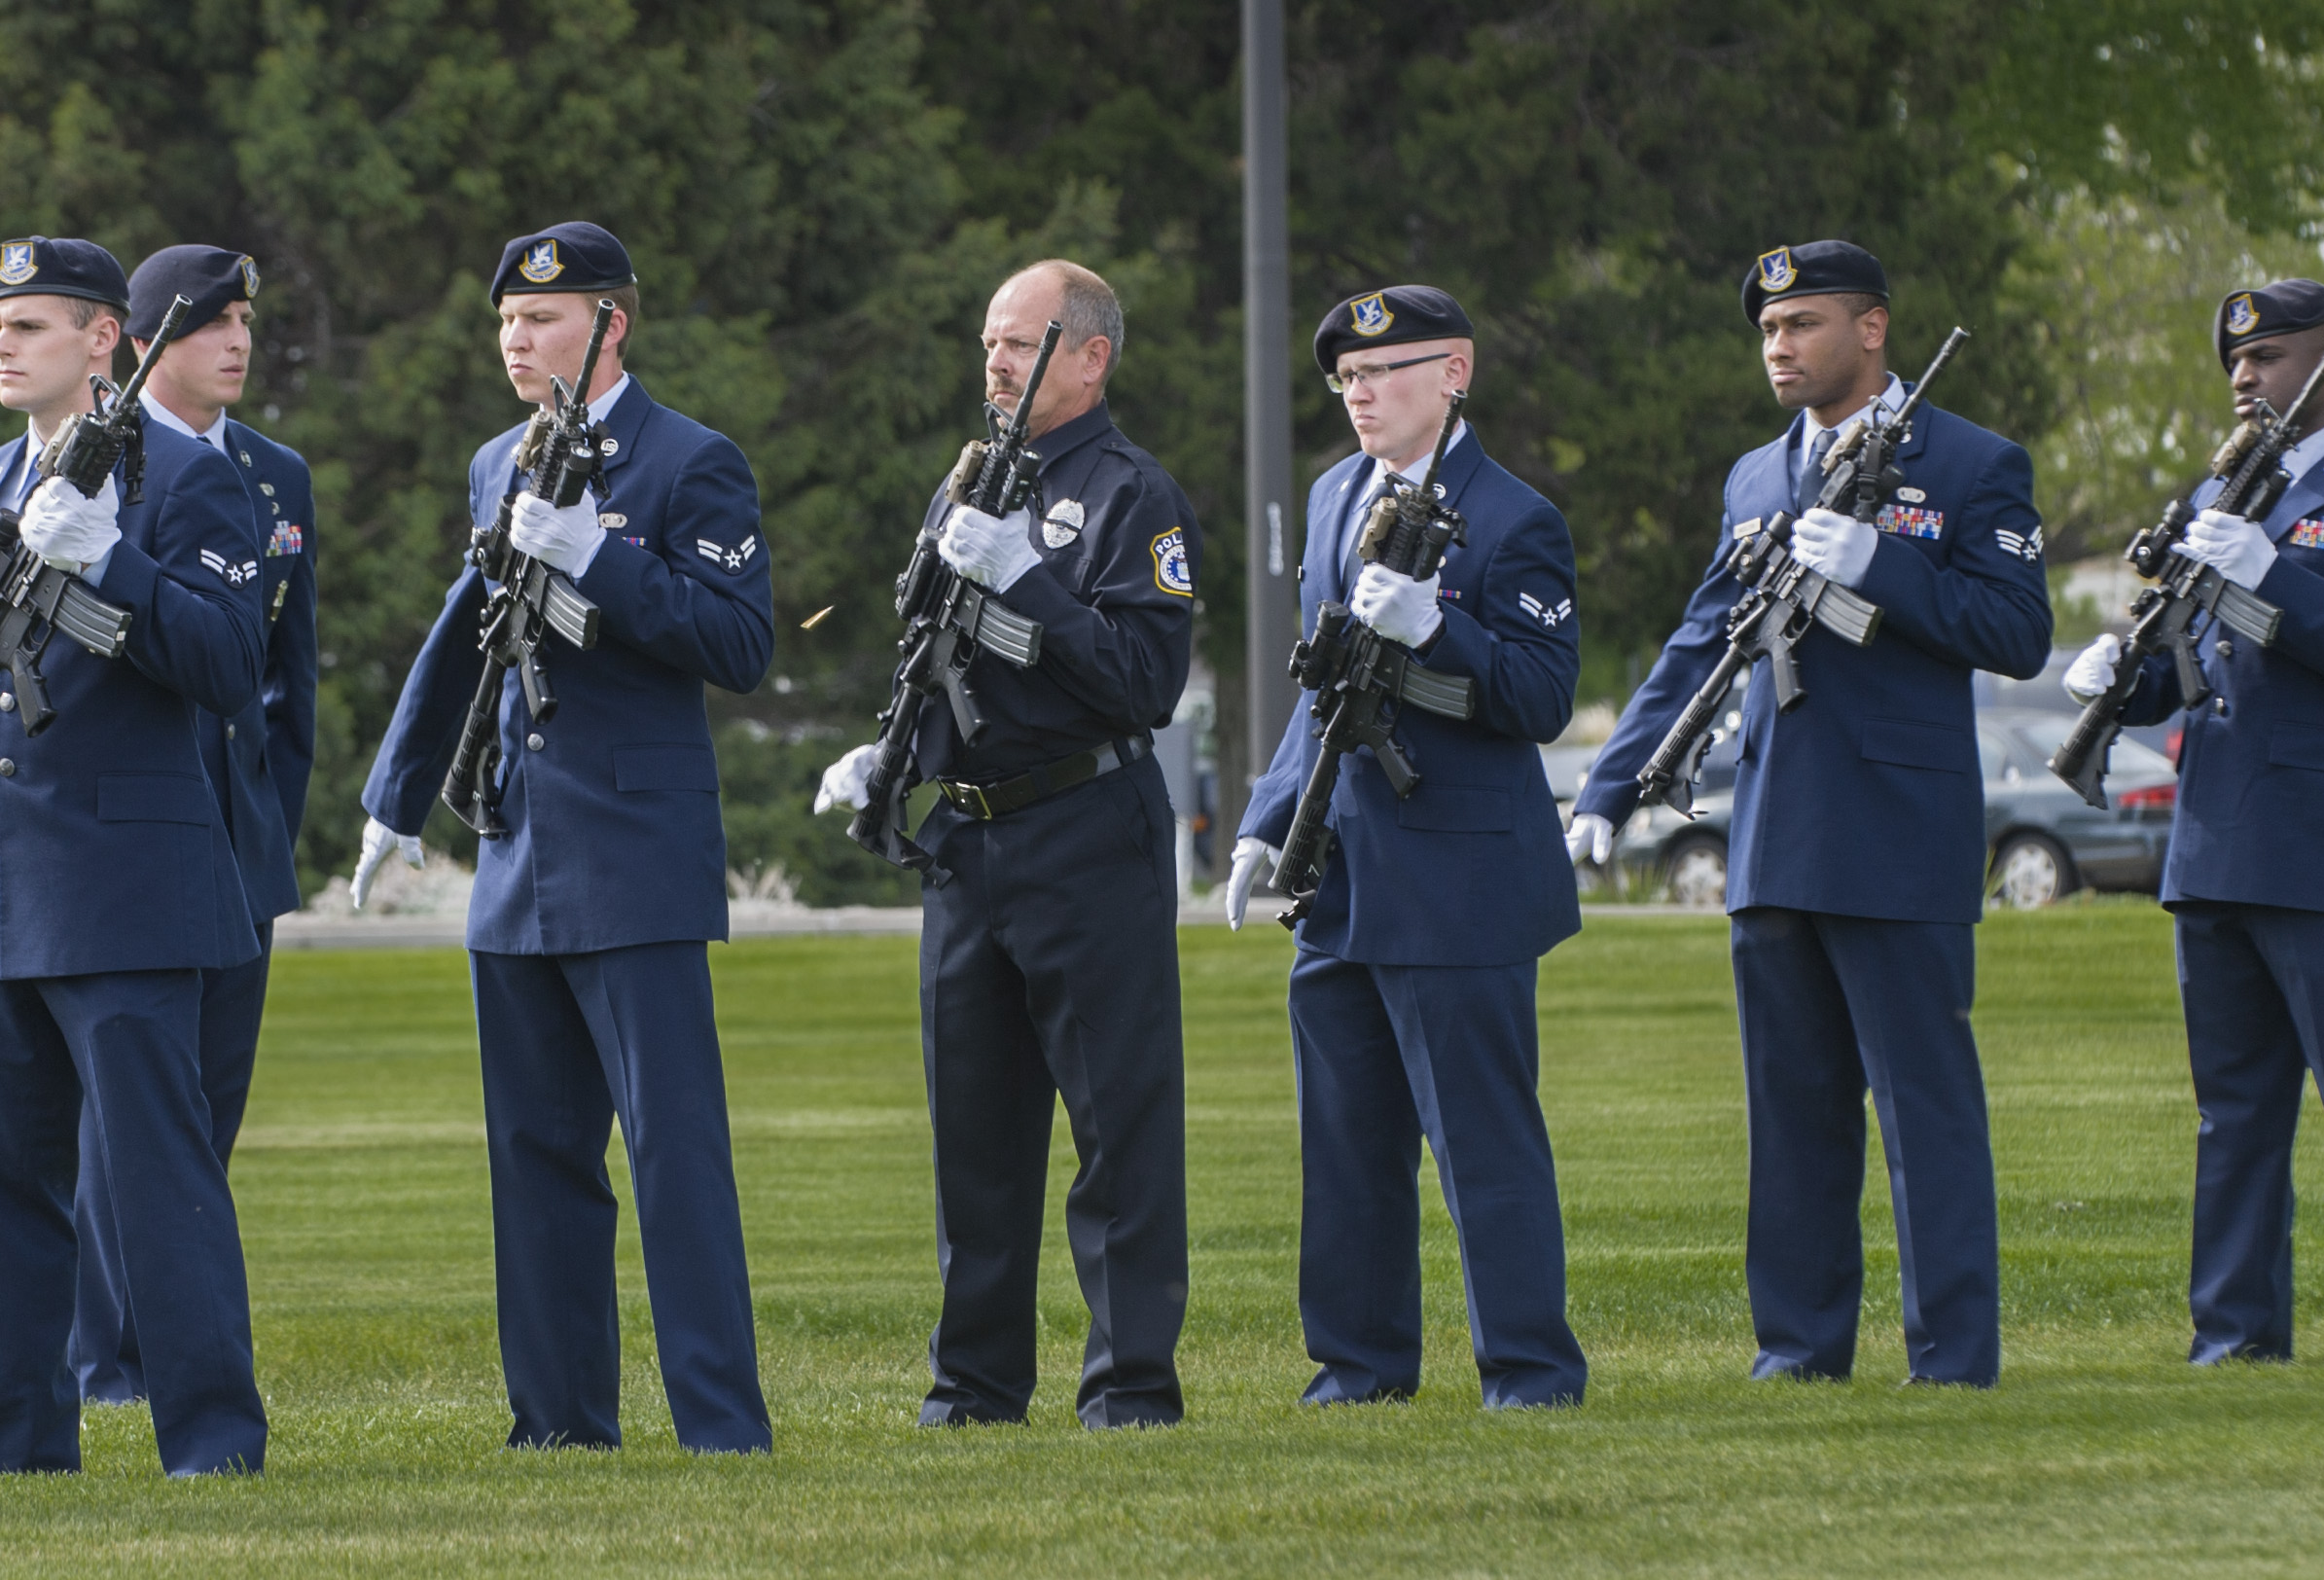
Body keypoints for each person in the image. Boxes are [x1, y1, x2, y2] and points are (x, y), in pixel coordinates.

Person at [1566, 240, 2051, 1387]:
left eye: (1802, 324)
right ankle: (1796, 1347)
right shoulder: (1756, 476)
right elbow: (1702, 639)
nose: (1778, 347)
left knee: (1924, 1108)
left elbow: (2017, 631)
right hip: (1776, 833)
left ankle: (1953, 1356)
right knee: (1792, 1115)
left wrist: (1884, 565)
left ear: (1872, 328)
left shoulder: (1972, 462)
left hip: (1900, 829)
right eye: (1768, 331)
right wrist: (1610, 784)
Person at [0, 235, 272, 1474]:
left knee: (159, 1185)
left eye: (29, 325)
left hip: (131, 883)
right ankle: (14, 1443)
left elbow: (231, 665)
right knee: (3, 1187)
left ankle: (211, 1439)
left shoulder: (187, 481)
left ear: (103, 338)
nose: (3, 344)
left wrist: (109, 560)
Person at [351, 221, 775, 1454]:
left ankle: (720, 1423)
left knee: (674, 1158)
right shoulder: (500, 461)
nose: (515, 337)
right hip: (521, 853)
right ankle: (558, 1421)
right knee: (535, 1159)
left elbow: (740, 642)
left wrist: (599, 560)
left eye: (540, 317)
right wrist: (396, 793)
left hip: (637, 854)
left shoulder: (690, 460)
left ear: (609, 326)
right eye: (505, 320)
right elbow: (465, 627)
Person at [808, 259, 1198, 1429]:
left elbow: (1145, 683)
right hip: (971, 839)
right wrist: (893, 753)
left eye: (1021, 343)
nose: (995, 363)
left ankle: (1130, 1388)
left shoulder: (1133, 496)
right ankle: (974, 1388)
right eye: (989, 341)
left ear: (1091, 357)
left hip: (1087, 827)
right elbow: (937, 654)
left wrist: (1030, 582)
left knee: (1117, 1129)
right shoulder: (970, 483)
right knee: (974, 1133)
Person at [2059, 279, 2324, 1368]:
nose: (2246, 374)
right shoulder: (2219, 495)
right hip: (2217, 846)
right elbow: (2194, 660)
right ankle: (2234, 1339)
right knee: (2232, 1115)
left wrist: (2274, 575)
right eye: (2236, 359)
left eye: (2271, 354)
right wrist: (2121, 678)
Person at [1219, 285, 1589, 1409]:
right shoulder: (1335, 495)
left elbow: (1541, 698)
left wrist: (1442, 628)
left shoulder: (1515, 518)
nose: (1361, 394)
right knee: (1344, 1145)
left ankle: (1529, 1370)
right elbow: (1321, 690)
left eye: (1383, 372)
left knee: (1483, 1143)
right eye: (1348, 378)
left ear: (1455, 373)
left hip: (1460, 880)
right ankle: (1359, 1367)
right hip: (1342, 875)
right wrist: (1265, 819)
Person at [61, 242, 322, 1407]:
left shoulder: (275, 474)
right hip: (132, 835)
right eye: (212, 323)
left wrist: (273, 827)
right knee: (125, 1115)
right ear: (146, 341)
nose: (238, 342)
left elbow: (287, 679)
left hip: (236, 834)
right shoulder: (99, 462)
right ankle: (106, 1355)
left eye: (246, 324)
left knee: (208, 1108)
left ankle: (150, 1337)